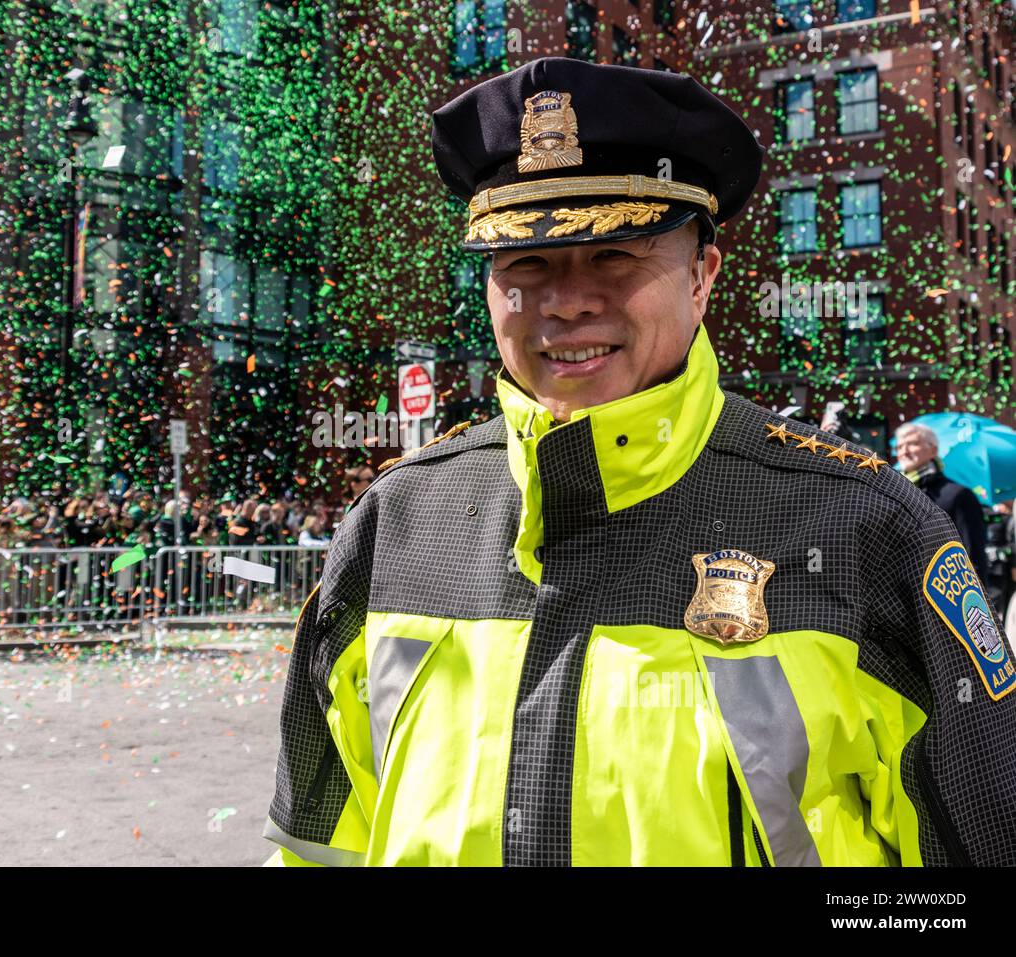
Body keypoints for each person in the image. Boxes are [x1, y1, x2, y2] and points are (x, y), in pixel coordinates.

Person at [264, 58, 1016, 868]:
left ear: (702, 275)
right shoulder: (393, 524)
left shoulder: (868, 530)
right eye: (527, 261)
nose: (567, 299)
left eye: (615, 252)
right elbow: (317, 851)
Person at [894, 422, 990, 587]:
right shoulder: (896, 491)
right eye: (899, 446)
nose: (904, 451)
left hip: (944, 594)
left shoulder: (958, 495)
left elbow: (973, 554)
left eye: (912, 444)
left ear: (933, 450)